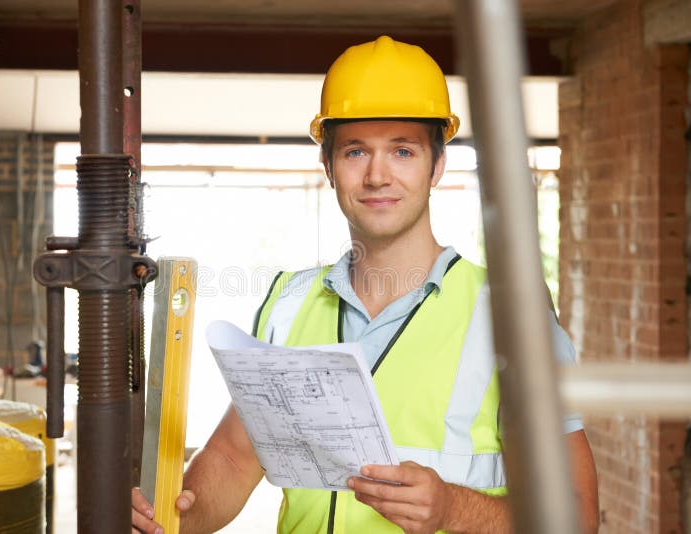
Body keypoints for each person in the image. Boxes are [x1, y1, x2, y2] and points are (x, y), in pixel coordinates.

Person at [132, 35, 599, 534]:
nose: (378, 176)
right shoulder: (290, 304)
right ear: (328, 166)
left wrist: (452, 509)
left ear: (436, 165)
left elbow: (575, 516)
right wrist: (167, 518)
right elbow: (232, 457)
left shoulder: (508, 318)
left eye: (402, 151)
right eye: (356, 151)